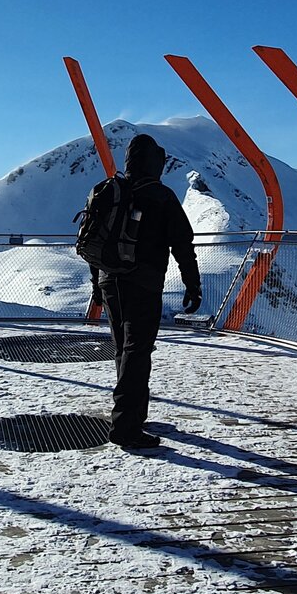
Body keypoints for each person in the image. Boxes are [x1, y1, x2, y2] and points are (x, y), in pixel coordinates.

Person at [87, 132, 202, 451]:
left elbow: (95, 242)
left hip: (111, 282)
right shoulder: (160, 196)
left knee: (124, 350)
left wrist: (97, 283)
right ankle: (126, 426)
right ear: (155, 164)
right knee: (138, 352)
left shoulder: (110, 191)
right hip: (144, 284)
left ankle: (133, 416)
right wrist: (193, 285)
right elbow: (183, 245)